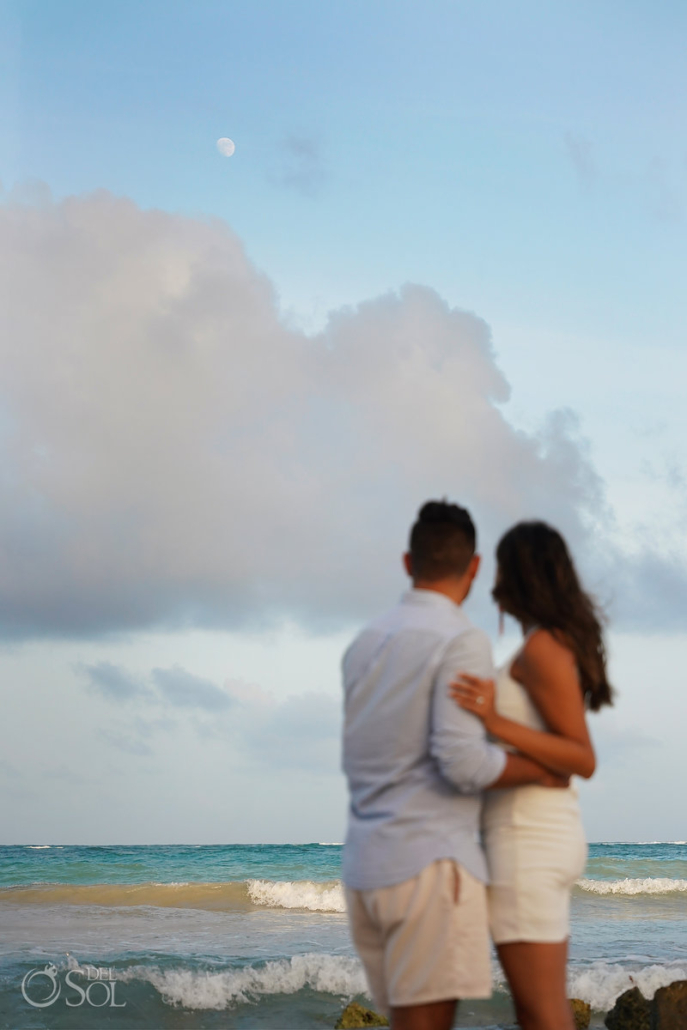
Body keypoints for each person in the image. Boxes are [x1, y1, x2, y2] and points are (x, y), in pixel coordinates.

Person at [341, 501, 568, 1030]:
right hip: (430, 867)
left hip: (366, 869)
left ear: (407, 562)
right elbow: (462, 761)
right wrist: (538, 769)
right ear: (473, 567)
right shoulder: (461, 640)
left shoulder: (363, 644)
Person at [451, 520, 613, 1030]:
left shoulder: (543, 648)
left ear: (519, 576)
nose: (494, 583)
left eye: (500, 569)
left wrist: (494, 721)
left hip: (527, 841)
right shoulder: (549, 644)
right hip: (538, 836)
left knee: (542, 1014)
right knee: (535, 1012)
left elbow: (580, 757)